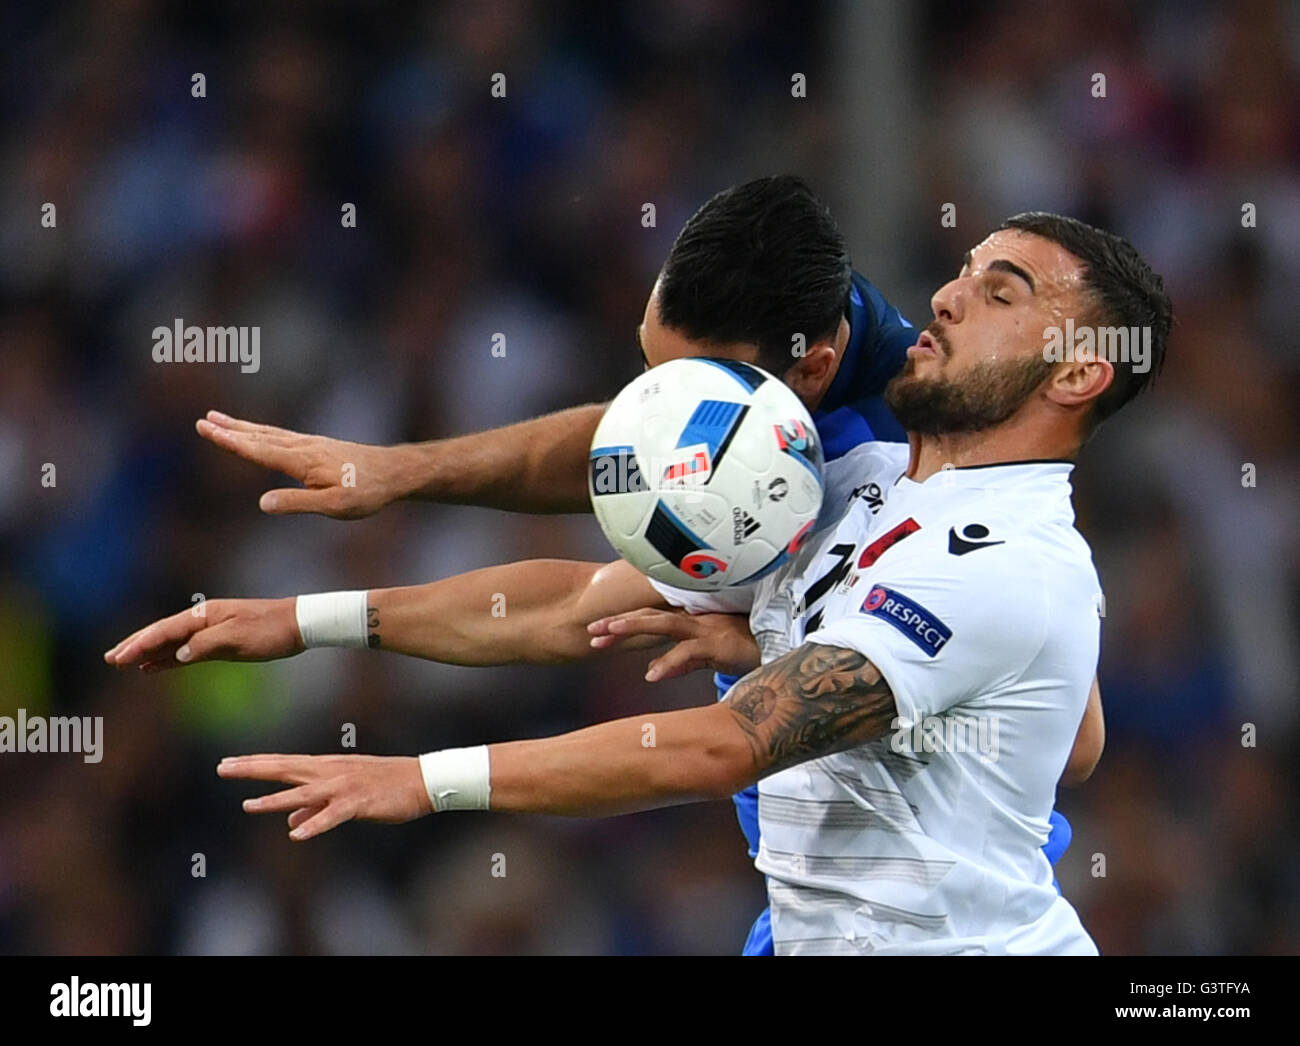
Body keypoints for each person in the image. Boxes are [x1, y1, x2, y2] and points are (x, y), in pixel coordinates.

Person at [114, 211, 1162, 954]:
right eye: (967, 268)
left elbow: (720, 745)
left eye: (999, 291)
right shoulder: (855, 474)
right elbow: (583, 602)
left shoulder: (1006, 562)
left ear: (1077, 371)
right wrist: (310, 616)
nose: (948, 291)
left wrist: (419, 780)